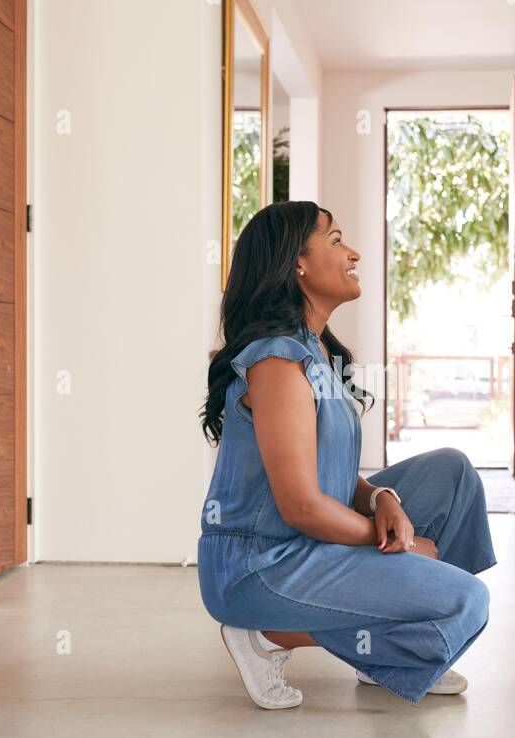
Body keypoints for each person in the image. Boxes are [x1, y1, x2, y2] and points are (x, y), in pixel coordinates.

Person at [197, 200, 495, 709]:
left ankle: (391, 655)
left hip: (309, 547)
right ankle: (267, 636)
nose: (352, 251)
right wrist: (401, 546)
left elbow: (327, 467)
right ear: (298, 264)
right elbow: (303, 507)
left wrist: (379, 495)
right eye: (335, 240)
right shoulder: (276, 363)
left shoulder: (315, 352)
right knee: (467, 601)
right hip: (261, 568)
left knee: (453, 472)